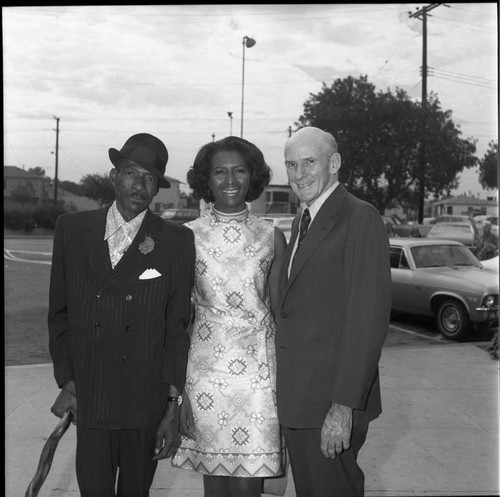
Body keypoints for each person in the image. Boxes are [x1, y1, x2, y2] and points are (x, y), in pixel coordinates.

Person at [48, 133, 196, 496]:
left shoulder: (176, 240)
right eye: (131, 173)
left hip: (144, 398)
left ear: (157, 188)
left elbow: (177, 328)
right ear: (114, 175)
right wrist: (68, 379)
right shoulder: (72, 228)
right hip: (91, 391)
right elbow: (59, 313)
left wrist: (172, 404)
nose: (139, 185)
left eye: (149, 179)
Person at [275, 126, 391, 497]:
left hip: (330, 404)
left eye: (310, 162)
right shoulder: (301, 221)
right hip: (300, 401)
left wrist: (342, 408)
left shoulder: (360, 217)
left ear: (335, 163)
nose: (299, 173)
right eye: (291, 164)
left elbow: (367, 320)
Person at [171, 136, 287, 497]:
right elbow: (176, 320)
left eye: (240, 170)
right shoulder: (186, 237)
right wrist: (177, 392)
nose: (230, 180)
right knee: (215, 483)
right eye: (219, 172)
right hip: (205, 373)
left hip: (257, 378)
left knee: (249, 485)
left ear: (254, 176)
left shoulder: (271, 235)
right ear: (206, 179)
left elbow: (284, 314)